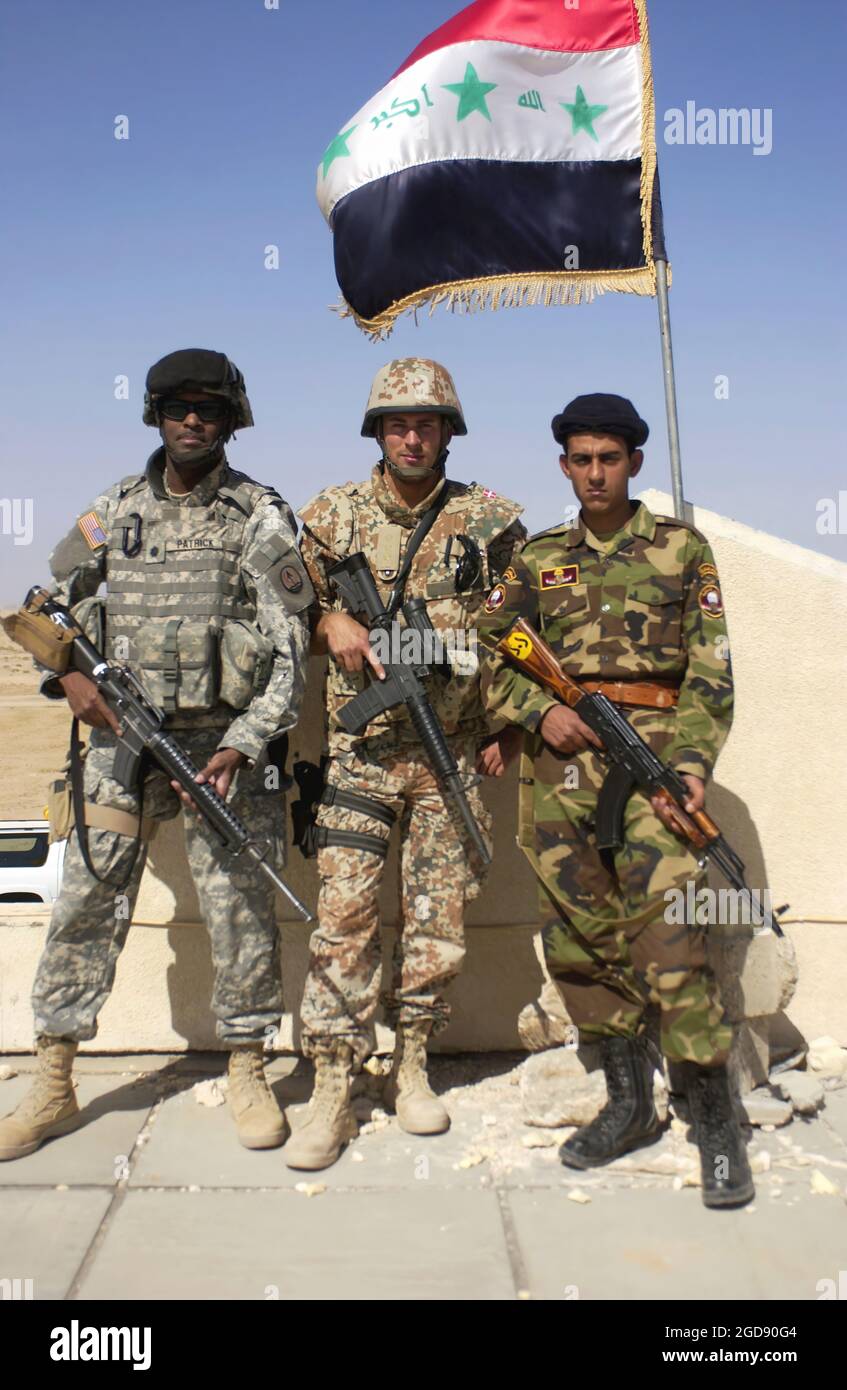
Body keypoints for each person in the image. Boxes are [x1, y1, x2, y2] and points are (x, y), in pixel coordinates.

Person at [0, 349, 313, 1161]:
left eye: (208, 408)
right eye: (177, 406)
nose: (192, 420)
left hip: (220, 755)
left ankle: (247, 1065)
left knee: (241, 912)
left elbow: (289, 649)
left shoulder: (257, 514)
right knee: (84, 905)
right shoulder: (114, 508)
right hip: (119, 747)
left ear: (231, 418)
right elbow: (46, 606)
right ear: (156, 414)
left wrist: (245, 743)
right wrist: (69, 676)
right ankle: (55, 1080)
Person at [479, 392, 754, 1209]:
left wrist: (695, 762)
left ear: (633, 462)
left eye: (608, 457)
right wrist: (541, 711)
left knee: (671, 931)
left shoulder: (679, 548)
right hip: (563, 769)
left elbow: (712, 666)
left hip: (658, 760)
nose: (593, 472)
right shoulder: (537, 556)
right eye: (579, 459)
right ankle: (628, 1102)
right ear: (563, 465)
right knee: (577, 936)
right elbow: (491, 655)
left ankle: (712, 1119)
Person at [285, 358, 526, 1170]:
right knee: (344, 921)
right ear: (378, 433)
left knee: (437, 922)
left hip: (449, 756)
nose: (412, 437)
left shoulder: (490, 522)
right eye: (398, 424)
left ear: (448, 433)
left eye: (426, 424)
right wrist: (330, 627)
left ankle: (413, 1062)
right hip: (359, 758)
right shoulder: (331, 516)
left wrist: (508, 729)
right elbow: (283, 598)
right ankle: (333, 1080)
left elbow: (514, 635)